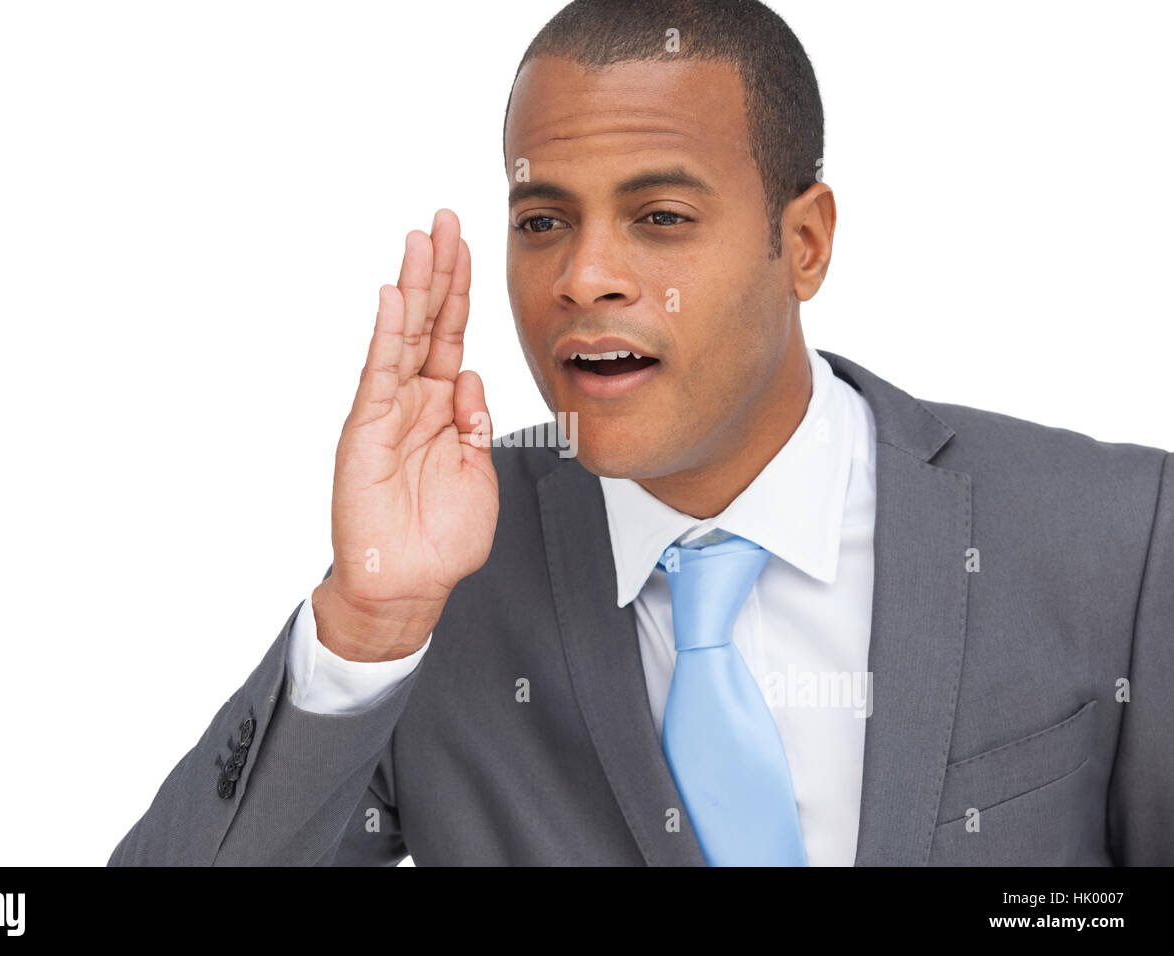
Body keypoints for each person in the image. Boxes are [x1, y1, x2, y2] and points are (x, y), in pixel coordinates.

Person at [107, 0, 1172, 866]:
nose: (582, 277)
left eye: (660, 217)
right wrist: (365, 626)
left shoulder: (1115, 539)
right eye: (542, 221)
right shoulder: (442, 587)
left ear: (801, 243)